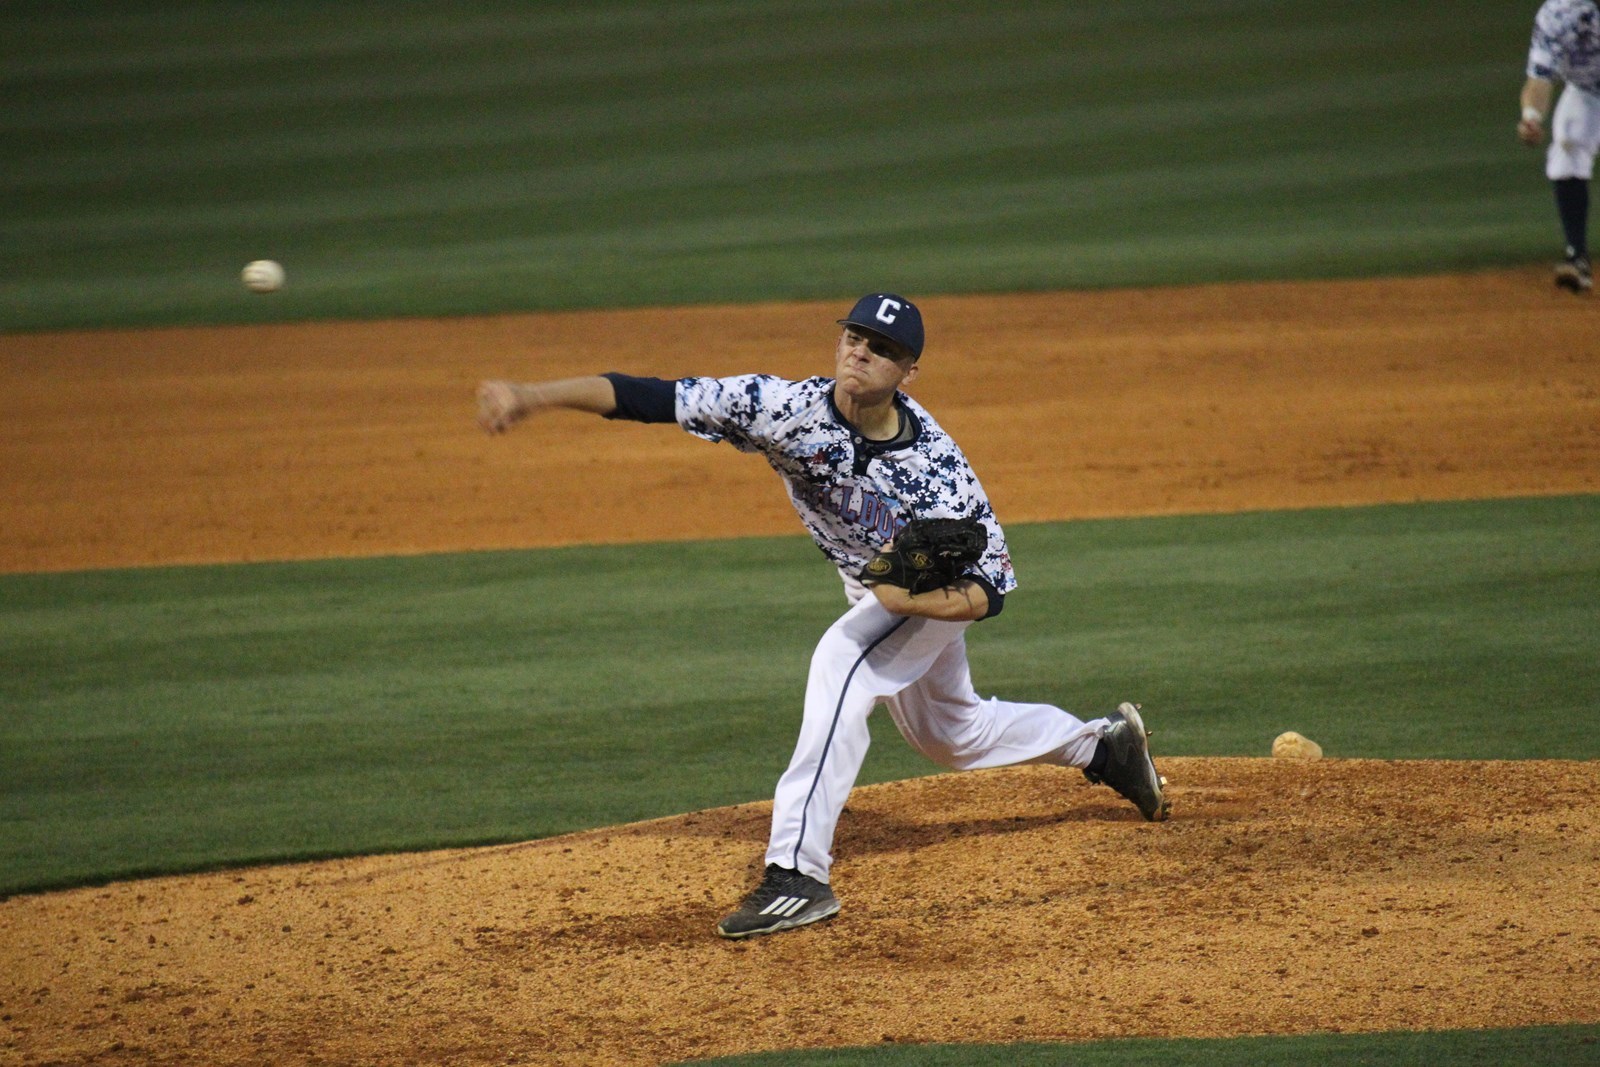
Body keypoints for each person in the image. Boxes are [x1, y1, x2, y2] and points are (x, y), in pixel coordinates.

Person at [476, 292, 1170, 939]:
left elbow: (993, 587)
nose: (860, 351)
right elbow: (647, 396)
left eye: (881, 347)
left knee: (843, 663)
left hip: (930, 595)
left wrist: (912, 601)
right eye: (854, 336)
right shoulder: (783, 409)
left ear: (908, 371)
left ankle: (798, 873)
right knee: (951, 734)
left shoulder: (937, 470)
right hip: (877, 585)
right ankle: (1104, 747)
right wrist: (531, 397)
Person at [1518, 0, 1600, 293]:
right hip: (1589, 92)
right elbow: (1539, 78)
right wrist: (1531, 117)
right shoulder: (1559, 14)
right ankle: (1577, 258)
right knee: (1567, 146)